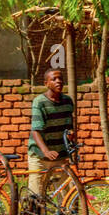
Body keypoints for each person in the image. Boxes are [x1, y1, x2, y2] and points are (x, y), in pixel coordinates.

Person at [29, 68, 76, 196]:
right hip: (39, 155)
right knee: (36, 194)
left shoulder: (67, 101)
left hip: (60, 154)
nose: (58, 81)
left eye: (60, 78)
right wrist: (46, 151)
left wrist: (71, 136)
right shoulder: (40, 102)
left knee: (65, 194)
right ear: (46, 83)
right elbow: (36, 131)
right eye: (54, 79)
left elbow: (69, 126)